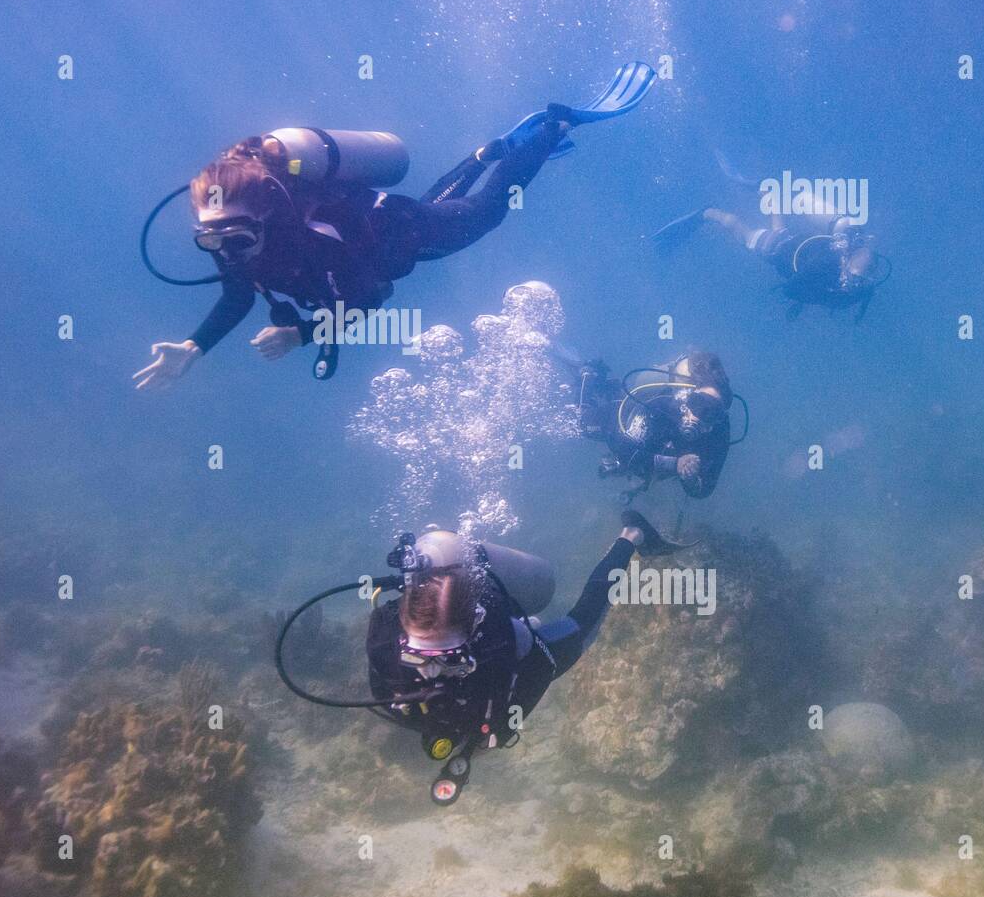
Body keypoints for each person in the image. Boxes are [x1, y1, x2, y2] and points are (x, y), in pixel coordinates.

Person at [133, 63, 655, 386]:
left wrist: (302, 335)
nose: (228, 252)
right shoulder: (235, 236)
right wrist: (193, 348)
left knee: (487, 212)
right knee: (439, 206)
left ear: (268, 215)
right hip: (383, 235)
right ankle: (483, 154)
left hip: (400, 230)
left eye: (238, 239)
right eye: (212, 241)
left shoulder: (314, 235)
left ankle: (551, 127)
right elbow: (236, 297)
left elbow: (365, 301)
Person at [365, 513, 680, 762]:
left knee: (582, 628)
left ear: (472, 635)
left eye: (448, 658)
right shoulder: (382, 644)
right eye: (417, 658)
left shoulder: (498, 639)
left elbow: (538, 673)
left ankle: (631, 536)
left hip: (509, 621)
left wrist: (501, 728)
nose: (430, 671)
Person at [652, 203, 883, 321]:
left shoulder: (864, 285)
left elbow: (864, 296)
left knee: (780, 231)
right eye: (853, 277)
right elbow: (792, 288)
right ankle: (710, 213)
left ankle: (767, 193)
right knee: (744, 234)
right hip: (776, 249)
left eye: (860, 279)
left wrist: (860, 314)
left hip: (791, 242)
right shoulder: (824, 265)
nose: (854, 283)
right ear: (846, 264)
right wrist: (807, 300)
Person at [562, 351, 733, 500]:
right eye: (698, 402)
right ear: (689, 396)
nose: (701, 415)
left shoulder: (719, 432)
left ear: (720, 417)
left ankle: (610, 388)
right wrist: (675, 465)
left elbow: (704, 490)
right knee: (583, 424)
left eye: (713, 413)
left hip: (652, 445)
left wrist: (690, 478)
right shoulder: (663, 404)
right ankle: (587, 376)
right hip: (622, 419)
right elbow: (622, 447)